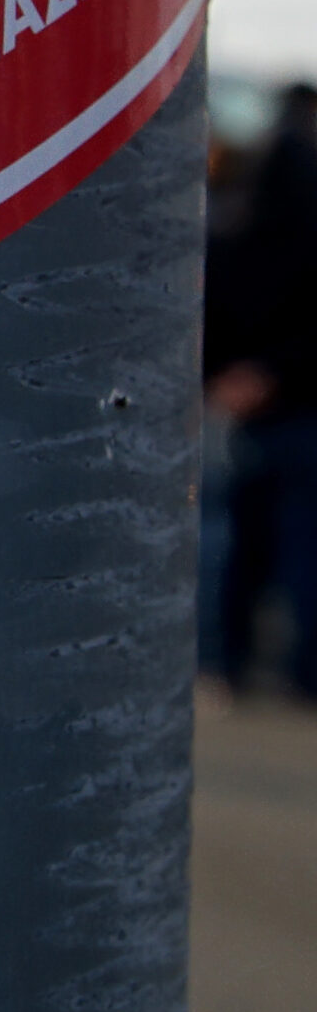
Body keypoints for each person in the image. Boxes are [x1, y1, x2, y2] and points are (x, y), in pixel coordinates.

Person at [208, 80, 317, 697]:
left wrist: (230, 378)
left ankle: (228, 662)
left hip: (248, 407)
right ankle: (300, 672)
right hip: (296, 406)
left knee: (237, 546)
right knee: (299, 545)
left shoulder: (235, 219)